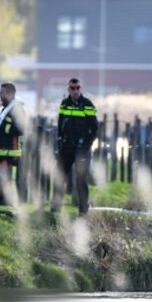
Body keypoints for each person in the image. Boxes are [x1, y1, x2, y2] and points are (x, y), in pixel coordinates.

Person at [53, 77, 97, 215]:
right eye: (73, 88)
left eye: (78, 88)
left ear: (81, 88)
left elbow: (95, 128)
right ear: (68, 89)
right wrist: (60, 140)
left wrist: (86, 146)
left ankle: (83, 210)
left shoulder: (87, 104)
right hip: (66, 147)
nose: (75, 90)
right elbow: (60, 124)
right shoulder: (64, 104)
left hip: (81, 148)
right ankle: (56, 208)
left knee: (81, 179)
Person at [0, 82, 25, 208]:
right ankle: (0, 209)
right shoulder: (5, 109)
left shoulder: (17, 109)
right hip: (0, 153)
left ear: (10, 94)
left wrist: (5, 128)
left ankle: (11, 210)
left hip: (10, 155)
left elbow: (21, 129)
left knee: (9, 183)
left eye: (2, 92)